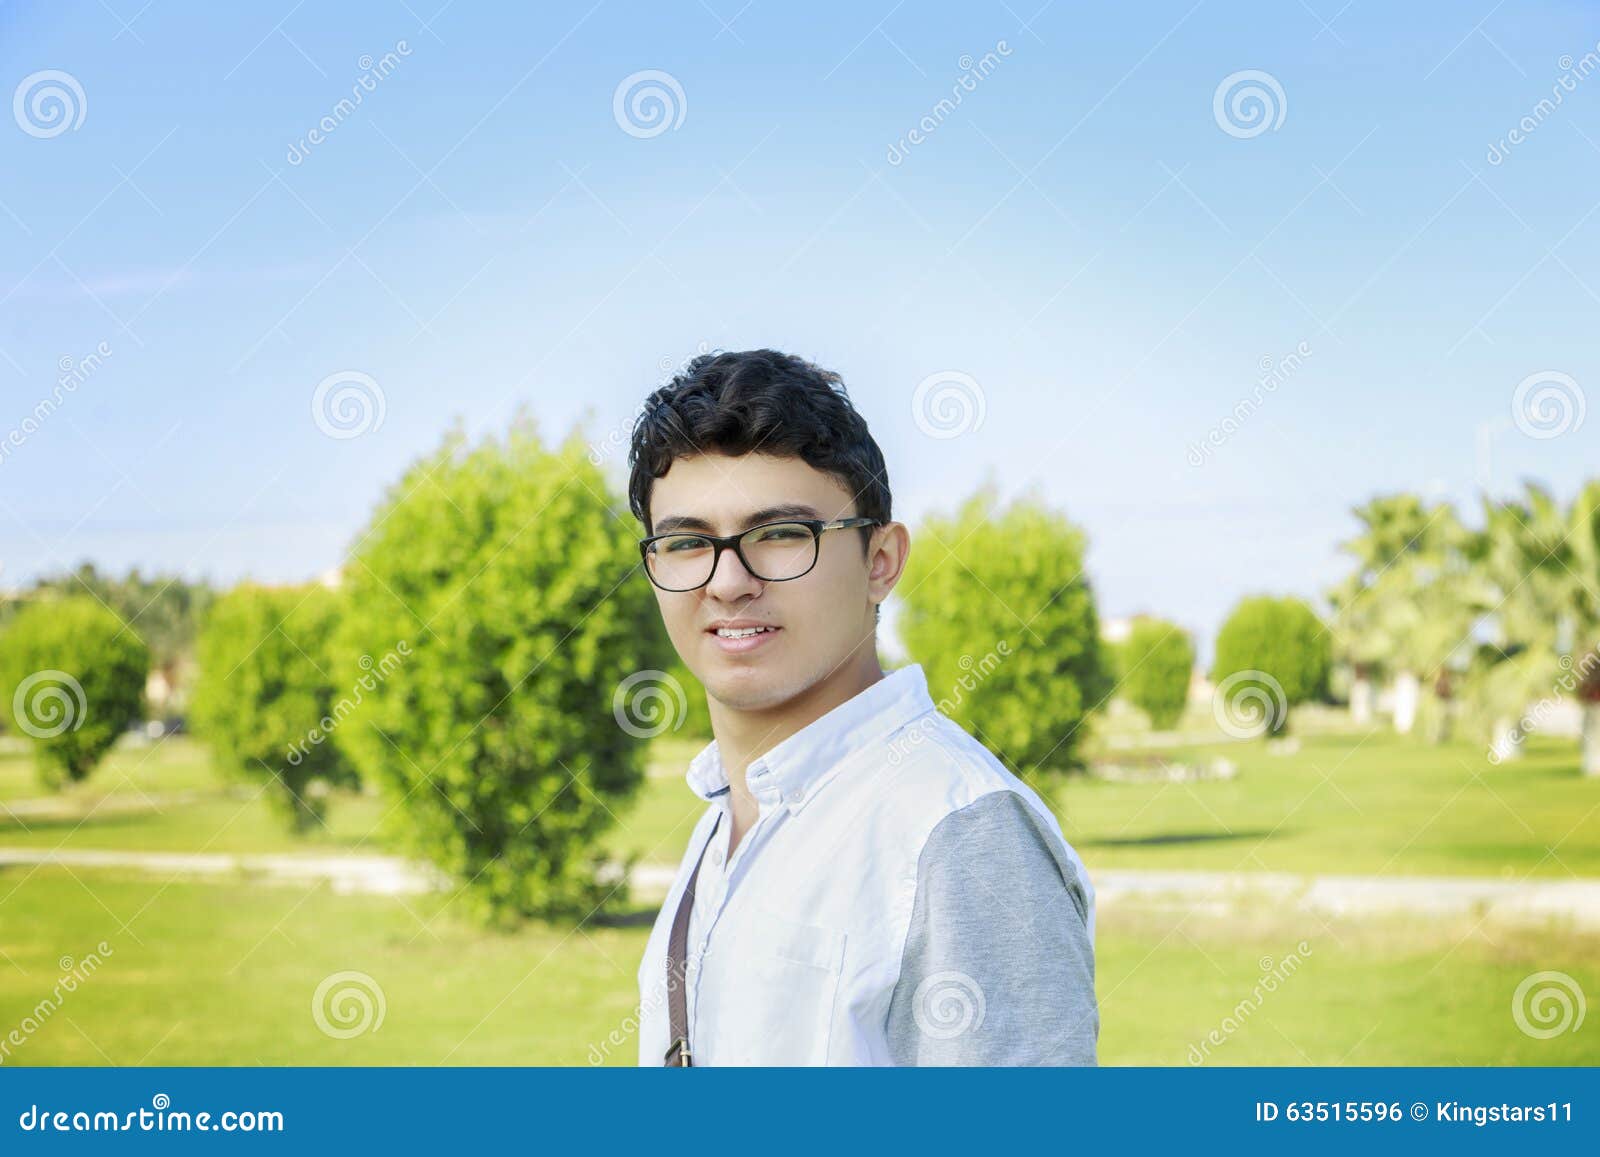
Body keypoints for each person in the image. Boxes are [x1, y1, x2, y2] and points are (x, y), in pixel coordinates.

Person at [626, 348, 1098, 1066]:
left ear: (881, 561)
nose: (727, 581)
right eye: (688, 542)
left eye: (780, 534)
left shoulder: (956, 830)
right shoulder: (724, 818)